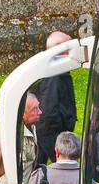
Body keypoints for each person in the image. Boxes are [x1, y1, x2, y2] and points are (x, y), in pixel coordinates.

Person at [33, 31, 78, 166]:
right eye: (67, 48)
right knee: (64, 164)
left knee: (38, 163)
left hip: (47, 131)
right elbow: (49, 110)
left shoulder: (51, 68)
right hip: (51, 133)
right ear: (59, 50)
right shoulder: (53, 75)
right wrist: (63, 131)